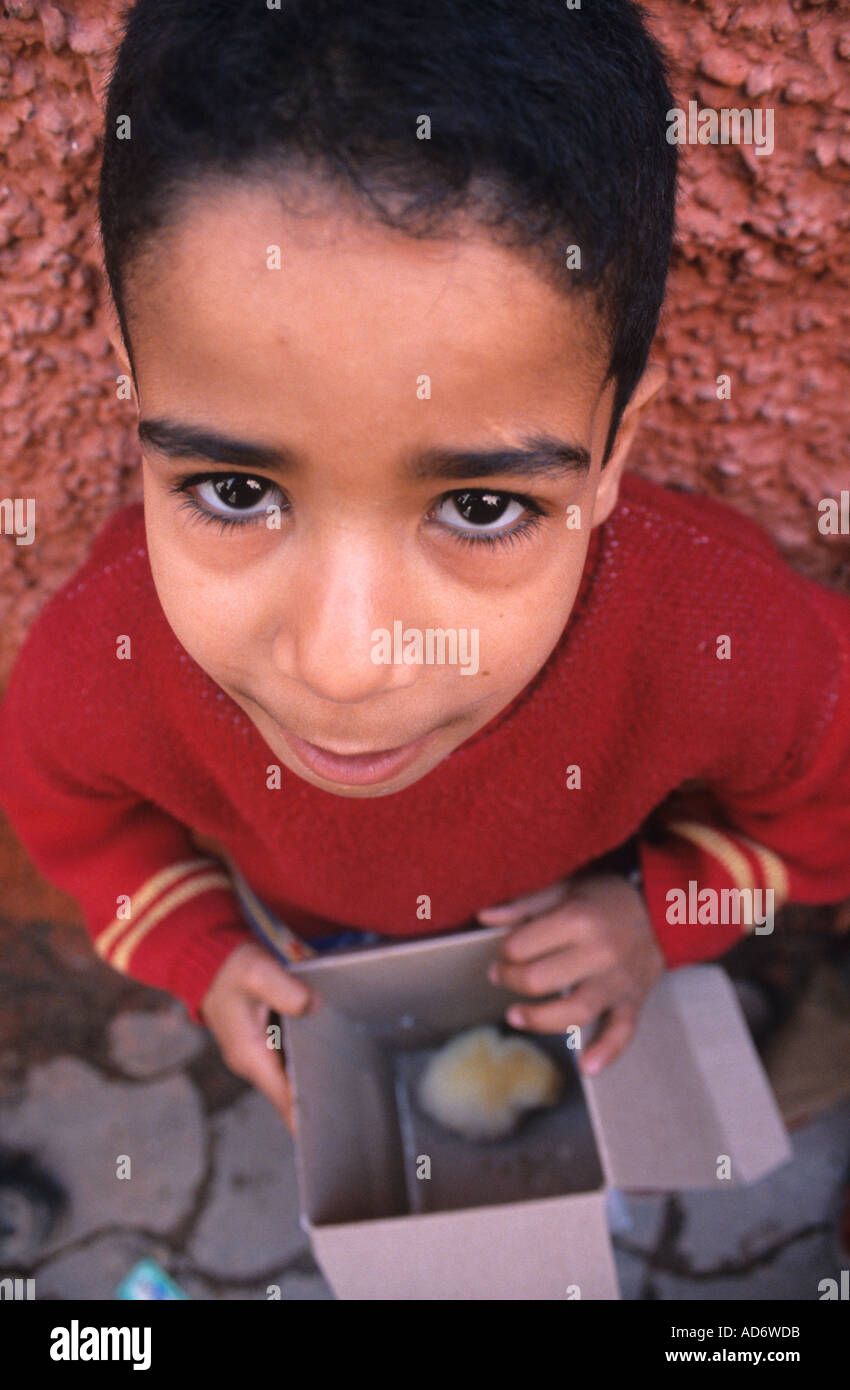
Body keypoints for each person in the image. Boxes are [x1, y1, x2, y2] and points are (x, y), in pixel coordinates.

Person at [1, 0, 848, 1139]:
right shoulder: (97, 659)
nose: (347, 669)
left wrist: (656, 918)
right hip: (312, 955)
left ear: (611, 455)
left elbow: (824, 804)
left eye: (482, 505)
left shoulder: (715, 634)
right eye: (237, 491)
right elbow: (69, 813)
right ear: (134, 390)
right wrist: (202, 953)